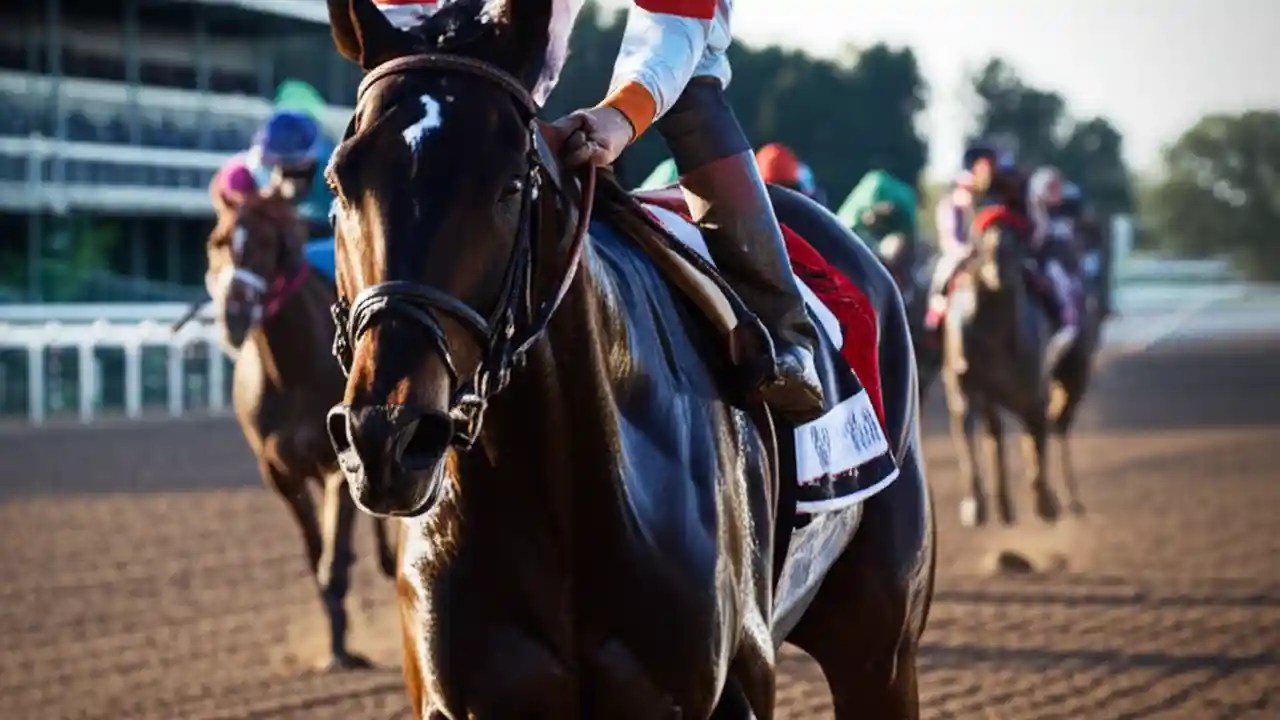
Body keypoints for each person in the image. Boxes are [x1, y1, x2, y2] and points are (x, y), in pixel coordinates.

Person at [550, 0, 824, 423]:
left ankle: (783, 333)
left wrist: (621, 116)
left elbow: (672, 27)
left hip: (674, 38)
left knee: (690, 90)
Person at [1027, 166, 1080, 357]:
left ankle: (1067, 325)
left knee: (1065, 284)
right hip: (1034, 265)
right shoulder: (1029, 213)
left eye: (1057, 187)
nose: (1056, 192)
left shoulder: (1063, 216)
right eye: (1051, 187)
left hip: (1054, 265)